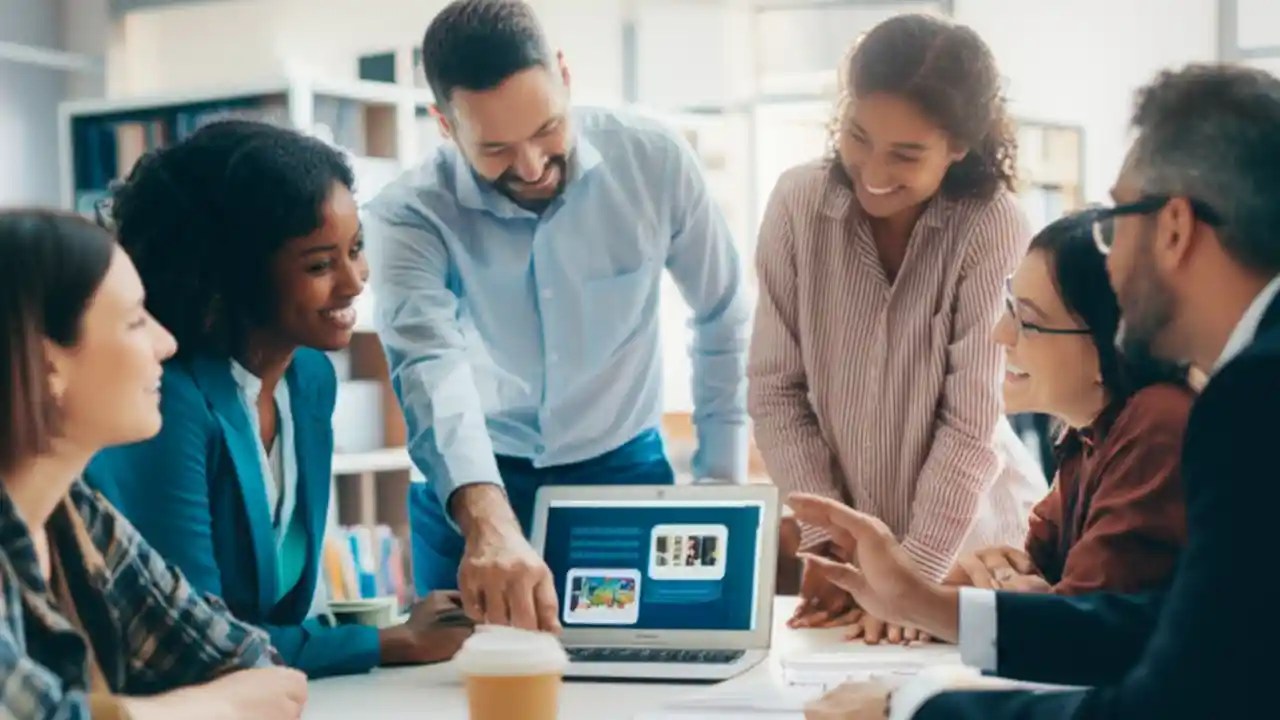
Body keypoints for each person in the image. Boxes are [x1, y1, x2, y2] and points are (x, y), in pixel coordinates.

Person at [788, 63, 1280, 719]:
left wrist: (910, 710)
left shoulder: (1253, 397)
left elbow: (1171, 702)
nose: (1105, 256)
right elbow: (1164, 629)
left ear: (1174, 228)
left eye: (1115, 220)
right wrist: (921, 600)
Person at [366, 0, 750, 631]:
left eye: (547, 129)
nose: (531, 167)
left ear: (565, 78)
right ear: (444, 125)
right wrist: (488, 522)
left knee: (640, 669)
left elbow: (722, 313)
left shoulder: (653, 161)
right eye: (494, 148)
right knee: (457, 686)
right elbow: (431, 367)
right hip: (474, 483)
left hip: (621, 472)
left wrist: (721, 485)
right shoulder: (409, 213)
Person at [84, 120, 472, 679]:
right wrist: (387, 642)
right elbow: (197, 638)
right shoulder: (172, 401)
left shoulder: (310, 378)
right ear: (236, 272)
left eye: (356, 249)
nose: (354, 281)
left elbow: (273, 612)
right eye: (319, 264)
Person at [747, 13, 1044, 640]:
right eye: (859, 137)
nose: (874, 172)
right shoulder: (797, 204)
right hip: (853, 561)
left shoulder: (992, 224)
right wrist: (828, 541)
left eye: (906, 154)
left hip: (969, 553)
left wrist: (911, 583)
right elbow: (776, 392)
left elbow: (970, 421)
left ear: (958, 147)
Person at [0, 209, 309, 720]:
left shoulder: (74, 512)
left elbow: (246, 661)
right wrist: (210, 708)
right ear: (47, 361)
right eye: (135, 320)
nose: (166, 343)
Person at [851, 210, 1193, 647]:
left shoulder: (1156, 425)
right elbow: (1034, 579)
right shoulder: (1088, 436)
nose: (999, 333)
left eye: (1027, 322)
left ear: (1112, 341)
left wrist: (917, 600)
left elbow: (1077, 634)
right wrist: (973, 581)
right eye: (1008, 307)